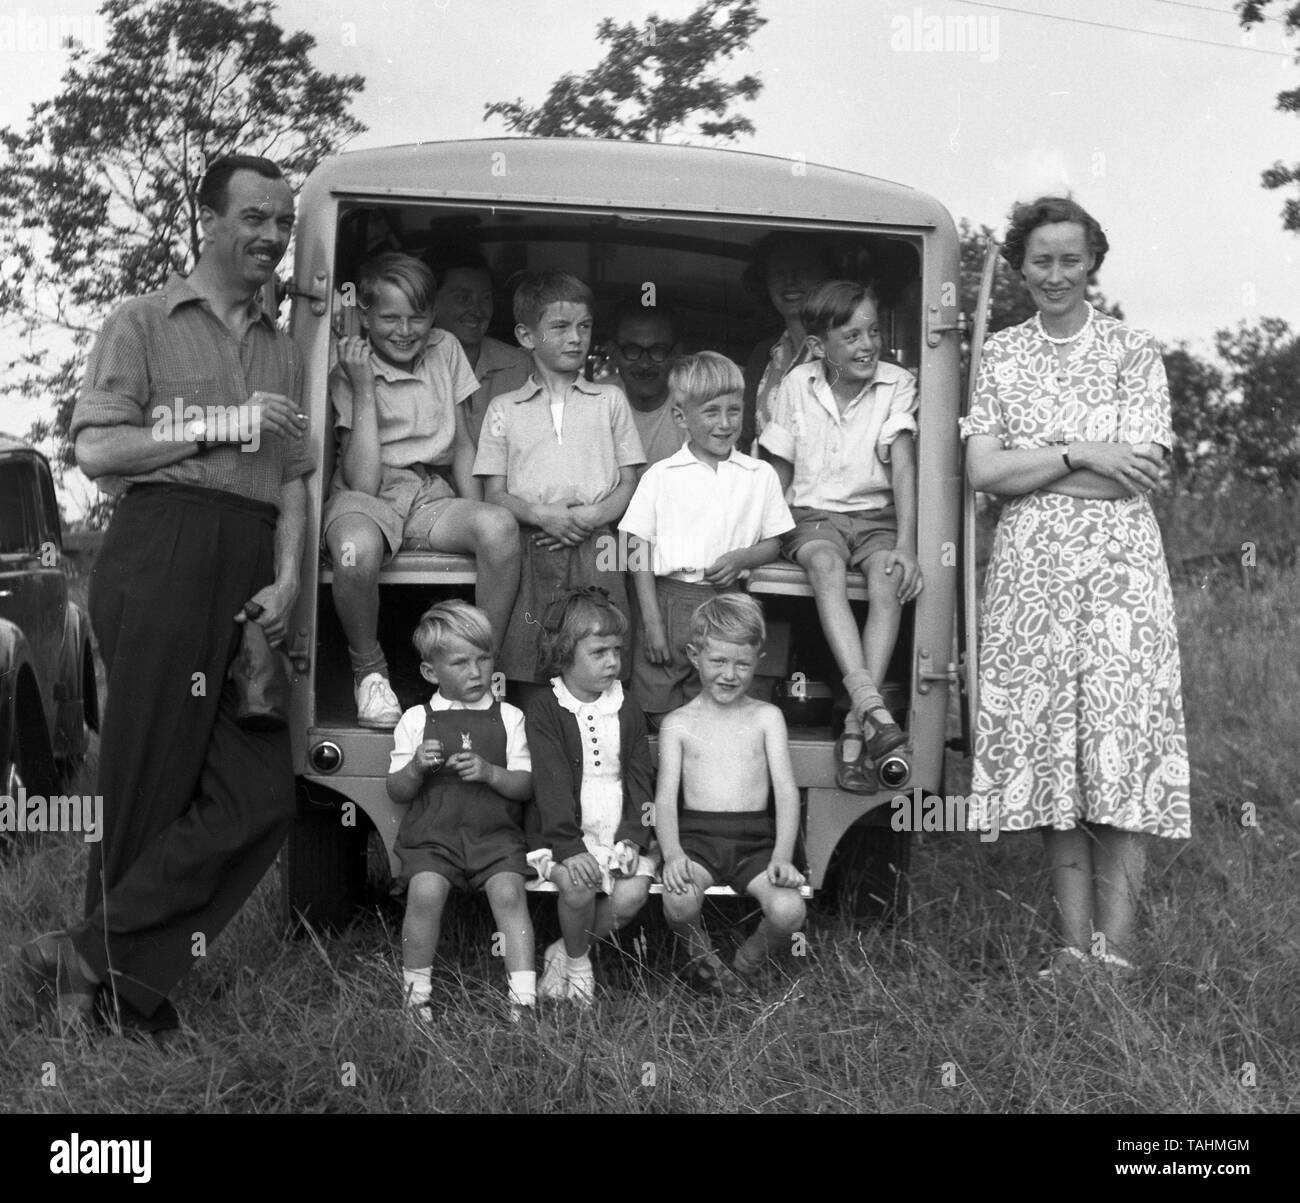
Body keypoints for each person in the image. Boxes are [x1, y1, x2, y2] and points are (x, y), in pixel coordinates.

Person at [20, 155, 310, 1039]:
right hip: (164, 548)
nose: (270, 237)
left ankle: (86, 949)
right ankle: (127, 993)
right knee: (148, 775)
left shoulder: (286, 344)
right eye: (255, 217)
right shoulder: (141, 319)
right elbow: (99, 452)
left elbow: (294, 479)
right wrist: (225, 422)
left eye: (283, 223)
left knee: (261, 792)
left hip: (254, 558)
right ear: (210, 220)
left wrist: (291, 576)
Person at [960, 196, 1189, 979]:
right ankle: (1070, 948)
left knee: (1118, 754)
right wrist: (1082, 450)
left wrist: (1044, 468)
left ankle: (1115, 956)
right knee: (1056, 756)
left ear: (1093, 261)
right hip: (1030, 584)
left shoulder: (1132, 351)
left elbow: (1140, 476)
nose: (1055, 274)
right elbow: (984, 472)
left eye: (1069, 258)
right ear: (1020, 267)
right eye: (1040, 260)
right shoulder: (1001, 355)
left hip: (1121, 582)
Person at [323, 252, 520, 727]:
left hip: (430, 490)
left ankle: (480, 666)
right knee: (353, 551)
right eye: (389, 317)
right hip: (368, 493)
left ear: (433, 315)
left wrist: (476, 514)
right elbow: (364, 481)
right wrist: (364, 385)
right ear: (366, 316)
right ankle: (369, 674)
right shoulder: (349, 360)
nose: (405, 329)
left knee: (499, 529)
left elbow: (462, 443)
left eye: (418, 316)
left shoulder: (446, 348)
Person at [759, 280, 923, 793]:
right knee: (826, 566)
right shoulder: (796, 386)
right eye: (851, 336)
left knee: (888, 578)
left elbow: (903, 472)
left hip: (877, 519)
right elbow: (778, 474)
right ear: (818, 346)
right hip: (813, 517)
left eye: (873, 332)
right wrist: (757, 542)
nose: (867, 345)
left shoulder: (898, 383)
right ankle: (872, 710)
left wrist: (908, 547)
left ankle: (858, 721)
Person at [474, 269, 645, 695]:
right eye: (561, 327)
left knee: (601, 660)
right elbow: (493, 494)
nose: (576, 338)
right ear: (527, 336)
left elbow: (630, 482)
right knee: (534, 663)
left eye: (584, 327)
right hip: (535, 546)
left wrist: (593, 515)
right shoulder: (503, 408)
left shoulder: (610, 400)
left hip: (599, 546)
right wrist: (539, 514)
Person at [619, 351, 792, 723]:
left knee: (717, 710)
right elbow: (634, 548)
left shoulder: (758, 475)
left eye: (734, 410)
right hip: (667, 601)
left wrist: (742, 559)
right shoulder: (661, 475)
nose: (726, 423)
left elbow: (775, 541)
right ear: (681, 417)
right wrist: (651, 623)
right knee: (656, 711)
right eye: (712, 412)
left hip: (728, 603)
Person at [386, 601, 535, 1019]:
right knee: (425, 891)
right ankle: (416, 996)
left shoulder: (509, 716)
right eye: (460, 663)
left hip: (494, 834)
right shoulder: (417, 719)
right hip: (435, 836)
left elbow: (524, 786)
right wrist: (416, 766)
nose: (476, 672)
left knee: (509, 892)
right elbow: (396, 789)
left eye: (484, 659)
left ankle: (523, 1000)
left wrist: (490, 773)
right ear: (431, 673)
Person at [654, 594, 806, 994]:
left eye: (742, 663)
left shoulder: (767, 718)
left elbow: (786, 791)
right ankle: (705, 963)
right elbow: (666, 799)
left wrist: (782, 856)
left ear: (760, 660)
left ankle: (746, 962)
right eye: (718, 661)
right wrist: (672, 855)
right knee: (679, 901)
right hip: (698, 841)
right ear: (694, 655)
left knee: (790, 911)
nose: (730, 674)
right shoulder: (678, 724)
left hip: (756, 842)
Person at [525, 589, 656, 1007]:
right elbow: (551, 783)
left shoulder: (627, 705)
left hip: (616, 825)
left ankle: (562, 951)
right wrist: (568, 845)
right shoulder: (546, 707)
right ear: (564, 653)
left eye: (617, 650)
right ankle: (581, 966)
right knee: (579, 887)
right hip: (564, 828)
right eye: (599, 652)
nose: (613, 662)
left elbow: (639, 777)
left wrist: (634, 835)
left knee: (632, 892)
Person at [426, 241, 531, 467]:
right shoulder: (413, 362)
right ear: (431, 302)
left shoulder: (521, 366)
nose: (477, 310)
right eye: (463, 298)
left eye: (485, 298)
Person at [740, 233, 834, 454]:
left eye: (803, 270)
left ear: (826, 277)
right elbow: (744, 436)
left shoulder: (843, 347)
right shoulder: (764, 353)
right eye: (778, 273)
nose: (790, 280)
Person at [607, 302, 685, 467]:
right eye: (632, 350)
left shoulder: (693, 405)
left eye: (658, 350)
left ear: (676, 354)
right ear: (613, 353)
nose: (644, 364)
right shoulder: (594, 402)